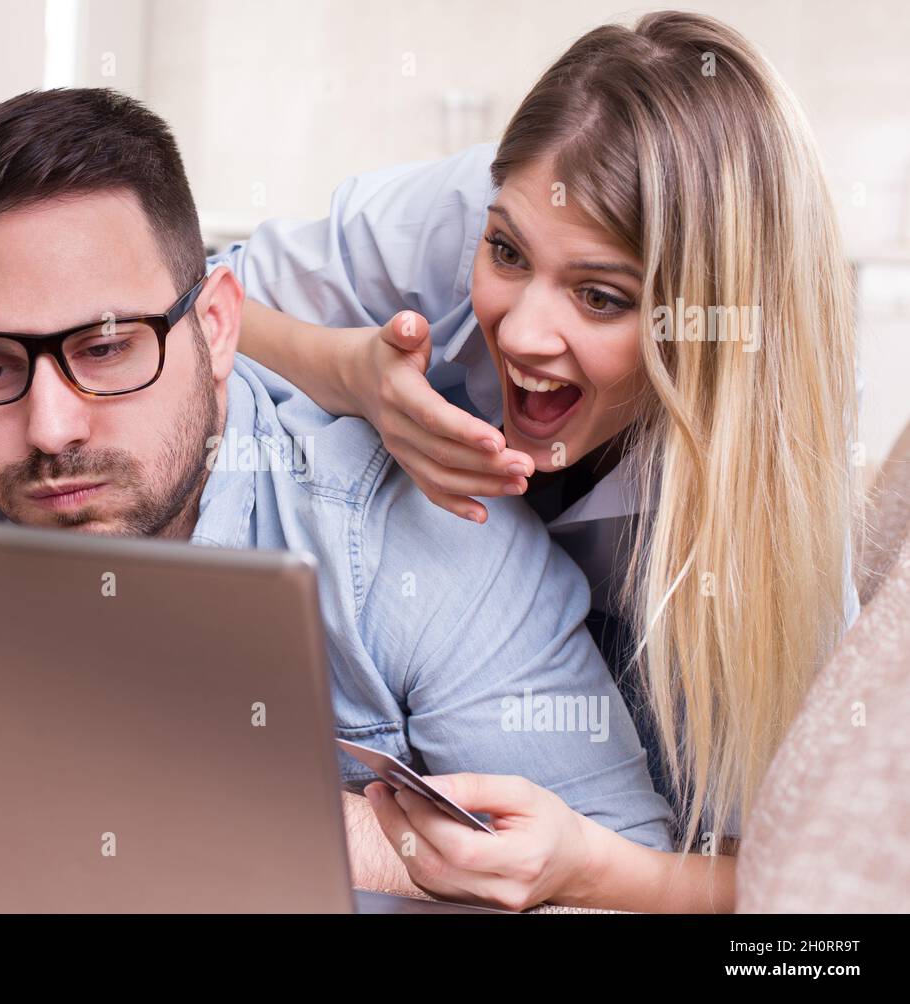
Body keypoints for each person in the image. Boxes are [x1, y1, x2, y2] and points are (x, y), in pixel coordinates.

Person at [0, 87, 673, 903]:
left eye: (107, 348)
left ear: (218, 325)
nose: (50, 429)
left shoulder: (421, 545)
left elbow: (613, 893)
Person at [212, 11, 861, 910]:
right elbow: (200, 305)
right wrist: (350, 372)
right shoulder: (454, 215)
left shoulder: (774, 515)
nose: (520, 331)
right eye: (508, 253)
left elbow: (805, 902)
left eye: (600, 297)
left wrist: (589, 867)